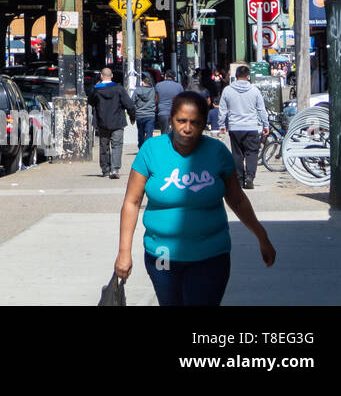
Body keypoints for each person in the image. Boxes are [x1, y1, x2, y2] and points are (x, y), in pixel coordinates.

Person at [114, 91, 275, 305]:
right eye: (181, 121)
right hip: (162, 255)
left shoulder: (217, 152)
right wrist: (124, 252)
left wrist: (261, 236)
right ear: (171, 118)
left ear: (203, 124)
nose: (187, 128)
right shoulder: (151, 150)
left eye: (195, 123)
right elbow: (131, 202)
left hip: (210, 255)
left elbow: (237, 200)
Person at [218, 65, 270, 189]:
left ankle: (239, 179)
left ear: (235, 76)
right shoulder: (254, 90)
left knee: (237, 154)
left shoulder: (227, 90)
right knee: (251, 153)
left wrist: (221, 124)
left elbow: (222, 109)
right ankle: (250, 177)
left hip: (235, 127)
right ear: (248, 76)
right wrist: (265, 124)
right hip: (251, 126)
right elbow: (261, 109)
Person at [87, 67, 135, 179]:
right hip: (117, 122)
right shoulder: (119, 89)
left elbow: (90, 101)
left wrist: (95, 88)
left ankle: (105, 169)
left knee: (104, 146)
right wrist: (133, 116)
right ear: (112, 75)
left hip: (102, 122)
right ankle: (115, 169)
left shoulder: (96, 89)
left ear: (101, 76)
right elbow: (129, 104)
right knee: (117, 145)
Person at [131, 72, 157, 147]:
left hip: (140, 115)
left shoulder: (137, 91)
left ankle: (141, 147)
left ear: (142, 82)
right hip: (150, 115)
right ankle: (148, 148)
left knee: (140, 133)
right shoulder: (153, 91)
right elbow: (156, 101)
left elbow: (132, 102)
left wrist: (134, 113)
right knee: (149, 134)